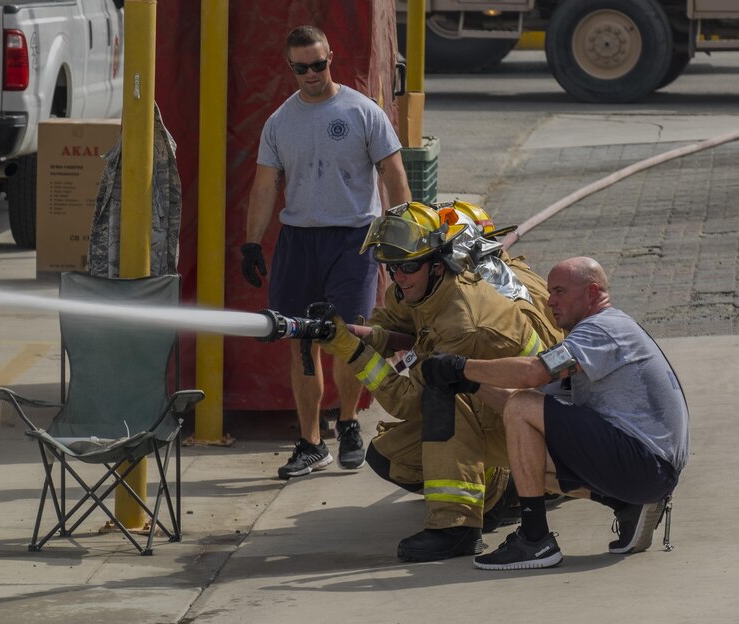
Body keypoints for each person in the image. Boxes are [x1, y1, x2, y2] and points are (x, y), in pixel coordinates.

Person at [319, 201, 563, 562]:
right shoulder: (428, 286)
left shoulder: (464, 323)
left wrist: (351, 351)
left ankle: (458, 527)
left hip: (538, 426)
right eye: (391, 267)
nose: (399, 277)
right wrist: (354, 332)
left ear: (437, 264)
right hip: (502, 411)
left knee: (440, 393)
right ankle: (504, 488)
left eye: (407, 267)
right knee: (390, 457)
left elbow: (408, 400)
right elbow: (399, 326)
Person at [422, 256, 690, 570]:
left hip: (646, 463)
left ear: (591, 293)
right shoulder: (593, 335)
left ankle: (535, 541)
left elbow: (532, 375)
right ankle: (627, 504)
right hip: (648, 469)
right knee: (528, 454)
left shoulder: (601, 330)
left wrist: (460, 365)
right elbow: (525, 403)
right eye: (550, 292)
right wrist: (468, 383)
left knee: (524, 413)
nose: (550, 301)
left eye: (560, 291)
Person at [240, 25, 411, 480]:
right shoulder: (280, 121)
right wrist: (252, 241)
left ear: (331, 57)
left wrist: (400, 239)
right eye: (302, 68)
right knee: (301, 341)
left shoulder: (362, 111)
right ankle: (311, 442)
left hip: (353, 238)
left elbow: (394, 176)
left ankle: (350, 421)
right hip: (299, 240)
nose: (313, 74)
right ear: (290, 68)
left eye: (320, 64)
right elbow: (263, 186)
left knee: (348, 337)